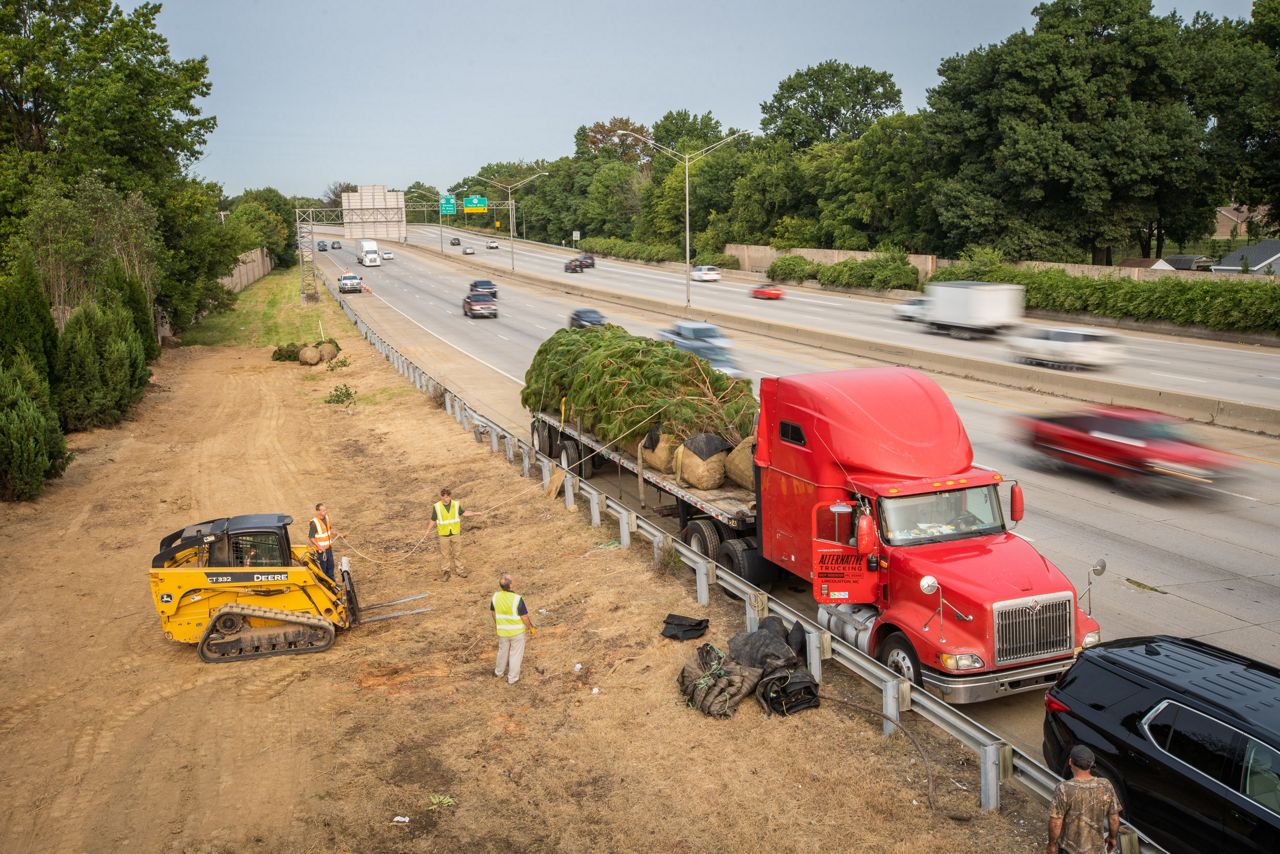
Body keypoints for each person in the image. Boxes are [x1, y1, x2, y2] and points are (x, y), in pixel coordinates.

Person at [1047, 744, 1121, 854]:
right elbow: (1114, 819)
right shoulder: (1105, 785)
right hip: (1097, 849)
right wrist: (1112, 838)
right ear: (1091, 764)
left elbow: (1056, 823)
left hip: (1069, 850)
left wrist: (1052, 844)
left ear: (1070, 761)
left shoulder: (1064, 789)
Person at [491, 574, 536, 684]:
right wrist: (531, 627)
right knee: (515, 654)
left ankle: (498, 672)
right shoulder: (517, 599)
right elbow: (524, 616)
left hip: (502, 631)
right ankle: (512, 678)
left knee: (502, 652)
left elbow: (493, 612)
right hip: (516, 633)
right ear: (510, 585)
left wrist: (498, 624)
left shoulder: (495, 596)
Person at [431, 487, 483, 581]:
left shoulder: (455, 504)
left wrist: (475, 513)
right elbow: (433, 519)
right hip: (443, 535)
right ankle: (446, 572)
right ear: (441, 497)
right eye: (444, 497)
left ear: (450, 496)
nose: (446, 499)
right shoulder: (437, 506)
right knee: (445, 555)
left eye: (448, 497)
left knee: (457, 553)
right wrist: (427, 530)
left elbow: (464, 513)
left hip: (455, 533)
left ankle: (460, 571)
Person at [309, 503, 342, 583]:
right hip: (321, 552)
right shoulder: (314, 523)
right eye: (323, 510)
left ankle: (332, 584)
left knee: (331, 567)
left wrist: (337, 533)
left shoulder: (326, 518)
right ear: (318, 511)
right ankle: (325, 585)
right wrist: (319, 546)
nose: (325, 511)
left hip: (328, 548)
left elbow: (329, 530)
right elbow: (311, 537)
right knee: (323, 569)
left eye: (325, 509)